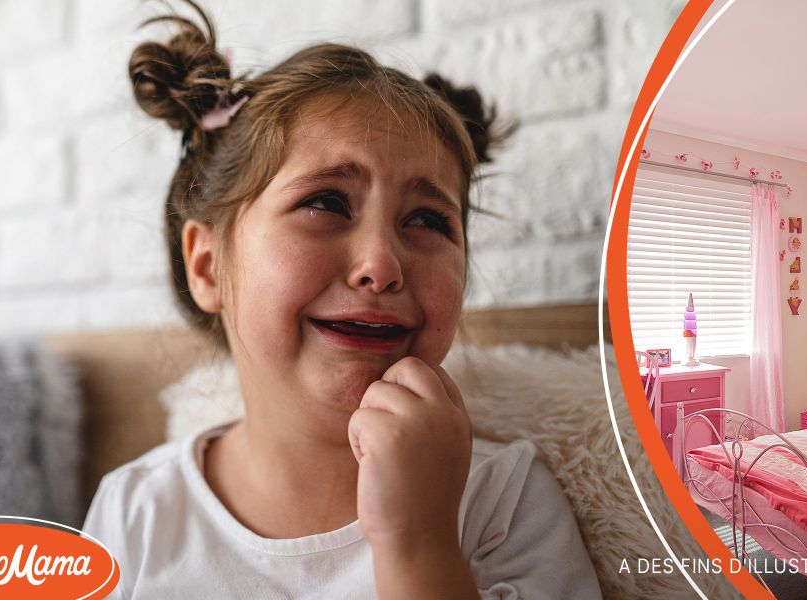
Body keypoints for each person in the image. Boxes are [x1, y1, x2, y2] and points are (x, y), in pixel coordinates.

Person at [81, 2, 602, 598]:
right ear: (207, 266)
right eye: (327, 203)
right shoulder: (134, 512)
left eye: (428, 220)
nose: (381, 266)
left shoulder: (500, 500)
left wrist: (419, 540)